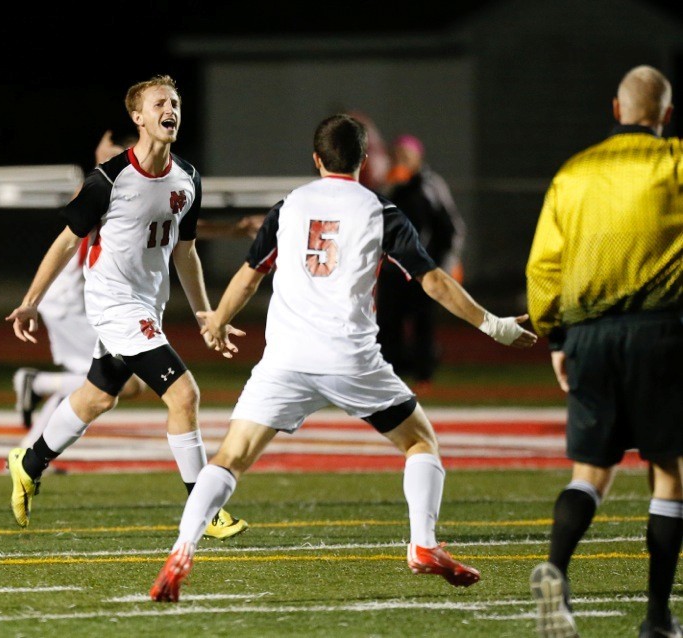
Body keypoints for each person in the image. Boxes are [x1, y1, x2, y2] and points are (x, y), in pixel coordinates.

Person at [149, 113, 537, 602]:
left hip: (286, 359)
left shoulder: (289, 206)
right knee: (420, 442)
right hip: (351, 359)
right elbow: (435, 282)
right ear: (365, 159)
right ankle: (422, 543)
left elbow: (249, 275)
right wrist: (494, 325)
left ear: (317, 159)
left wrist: (218, 321)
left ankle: (183, 548)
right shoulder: (381, 211)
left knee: (230, 458)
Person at [4, 74, 248, 540]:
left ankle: (29, 462)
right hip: (113, 303)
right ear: (137, 117)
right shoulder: (109, 179)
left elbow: (186, 252)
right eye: (159, 104)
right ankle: (205, 508)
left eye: (174, 103)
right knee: (184, 395)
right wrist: (30, 302)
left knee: (99, 395)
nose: (170, 110)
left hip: (148, 305)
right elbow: (65, 242)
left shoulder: (188, 178)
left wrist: (206, 314)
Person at [525, 65, 683, 638]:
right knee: (669, 472)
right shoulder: (677, 163)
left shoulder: (574, 172)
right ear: (666, 115)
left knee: (590, 471)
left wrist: (556, 336)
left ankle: (557, 572)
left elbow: (544, 266)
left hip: (589, 335)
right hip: (661, 331)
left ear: (616, 110)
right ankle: (658, 616)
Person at [13, 130, 147, 447]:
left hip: (77, 299)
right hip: (70, 300)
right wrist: (101, 167)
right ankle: (37, 383)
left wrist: (232, 229)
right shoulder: (110, 187)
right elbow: (80, 205)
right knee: (124, 383)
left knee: (91, 384)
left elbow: (176, 227)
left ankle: (28, 449)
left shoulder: (140, 193)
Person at [375, 134, 465, 389]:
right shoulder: (387, 185)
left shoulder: (430, 184)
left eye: (406, 155)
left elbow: (452, 226)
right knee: (388, 323)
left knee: (423, 322)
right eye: (397, 155)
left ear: (418, 158)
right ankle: (392, 375)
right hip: (392, 268)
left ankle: (424, 375)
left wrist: (447, 262)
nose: (401, 160)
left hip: (422, 268)